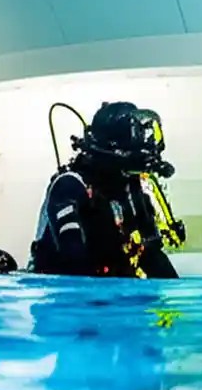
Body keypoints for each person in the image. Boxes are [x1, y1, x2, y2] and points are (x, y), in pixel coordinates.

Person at [30, 101, 184, 279]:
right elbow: (74, 264)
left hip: (109, 291)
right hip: (68, 296)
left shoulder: (131, 191)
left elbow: (153, 256)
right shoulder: (69, 186)